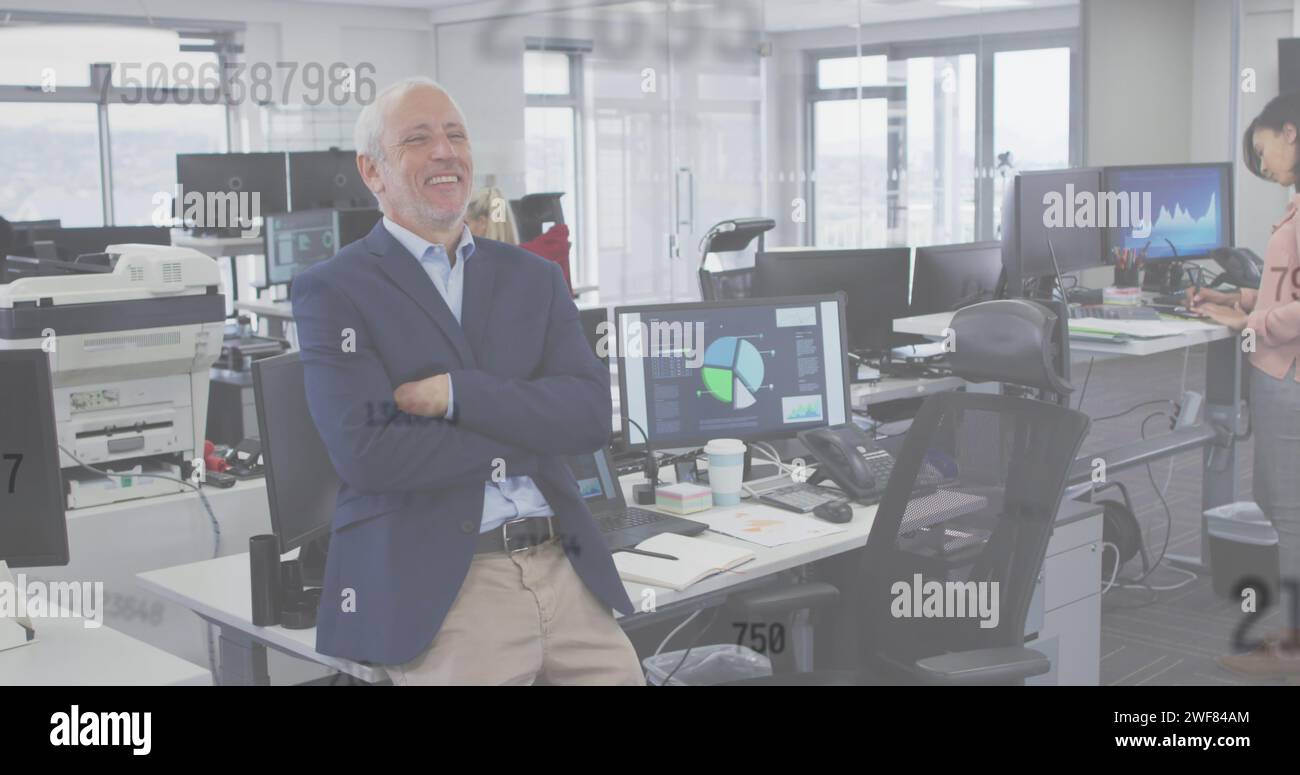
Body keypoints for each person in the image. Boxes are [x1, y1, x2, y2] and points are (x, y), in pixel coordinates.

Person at [291, 76, 641, 685]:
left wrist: (459, 395)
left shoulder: (534, 277)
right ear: (372, 171)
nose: (446, 151)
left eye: (456, 135)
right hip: (447, 588)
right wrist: (534, 425)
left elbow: (588, 417)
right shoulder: (334, 290)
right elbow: (371, 455)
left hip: (566, 566)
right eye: (419, 139)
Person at [1191, 93, 1300, 675]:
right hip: (1281, 373)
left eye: (1262, 154)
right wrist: (1237, 297)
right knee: (1281, 507)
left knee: (1290, 514)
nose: (1262, 168)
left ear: (1289, 132)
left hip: (1292, 376)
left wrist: (1248, 322)